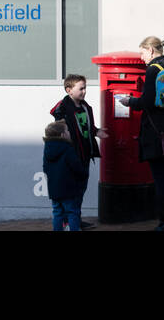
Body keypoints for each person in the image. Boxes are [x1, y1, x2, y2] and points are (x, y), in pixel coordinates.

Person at [117, 36, 164, 231]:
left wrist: (130, 101)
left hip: (155, 130)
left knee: (161, 180)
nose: (141, 57)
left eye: (142, 53)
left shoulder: (152, 70)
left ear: (150, 50)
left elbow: (147, 102)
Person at [49, 73, 104, 229]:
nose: (84, 91)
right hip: (72, 157)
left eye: (85, 88)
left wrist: (96, 131)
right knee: (71, 193)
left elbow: (86, 127)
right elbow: (61, 130)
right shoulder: (63, 109)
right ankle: (69, 221)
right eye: (81, 89)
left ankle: (75, 219)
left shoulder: (85, 107)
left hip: (85, 155)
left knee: (80, 190)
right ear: (69, 90)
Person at [42, 121, 85, 231]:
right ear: (62, 135)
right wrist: (82, 175)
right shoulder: (67, 148)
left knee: (57, 213)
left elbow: (45, 168)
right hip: (69, 189)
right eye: (67, 130)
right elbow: (76, 167)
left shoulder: (47, 149)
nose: (69, 132)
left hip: (54, 189)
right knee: (72, 212)